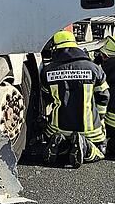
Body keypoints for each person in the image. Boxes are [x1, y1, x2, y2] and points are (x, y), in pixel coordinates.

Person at [40, 30, 110, 167]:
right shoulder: (94, 68)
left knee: (56, 134)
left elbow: (45, 98)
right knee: (101, 151)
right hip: (90, 129)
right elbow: (104, 95)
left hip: (58, 127)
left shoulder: (48, 71)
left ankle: (60, 145)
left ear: (55, 49)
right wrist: (100, 117)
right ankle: (86, 147)